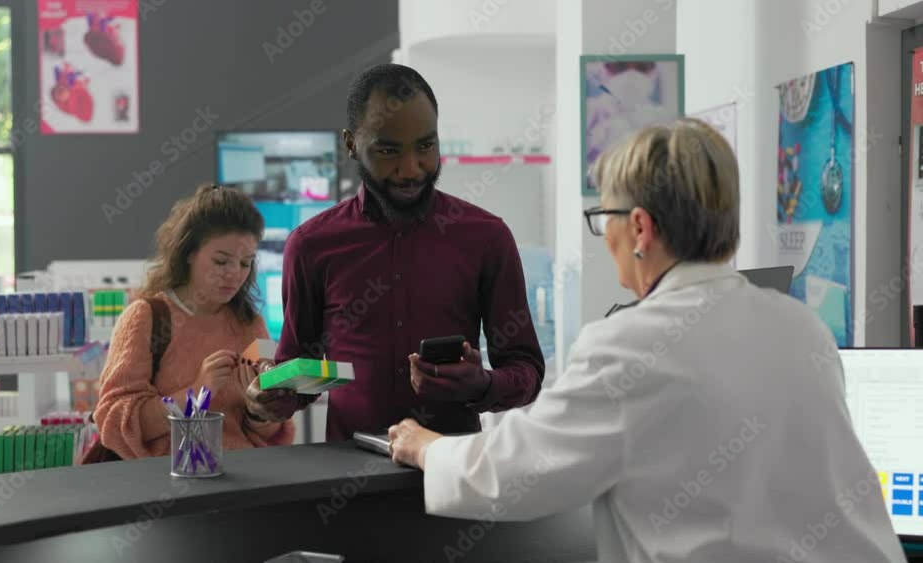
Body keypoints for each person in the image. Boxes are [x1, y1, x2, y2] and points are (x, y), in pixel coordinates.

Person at [388, 119, 906, 563]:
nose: (605, 237)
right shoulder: (801, 327)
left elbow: (520, 471)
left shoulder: (631, 345)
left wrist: (426, 448)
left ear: (639, 228)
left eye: (603, 219)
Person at [272, 63, 546, 440]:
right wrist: (267, 398)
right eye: (388, 150)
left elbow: (526, 369)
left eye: (425, 146)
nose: (411, 169)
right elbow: (297, 370)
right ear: (351, 144)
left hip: (453, 477)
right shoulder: (311, 246)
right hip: (343, 484)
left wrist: (481, 385)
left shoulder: (487, 238)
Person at [94, 185, 305, 459]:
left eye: (245, 263)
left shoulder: (252, 325)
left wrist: (261, 410)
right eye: (221, 261)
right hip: (169, 483)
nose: (233, 274)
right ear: (189, 253)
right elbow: (115, 421)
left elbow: (266, 434)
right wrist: (197, 393)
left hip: (245, 481)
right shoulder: (146, 318)